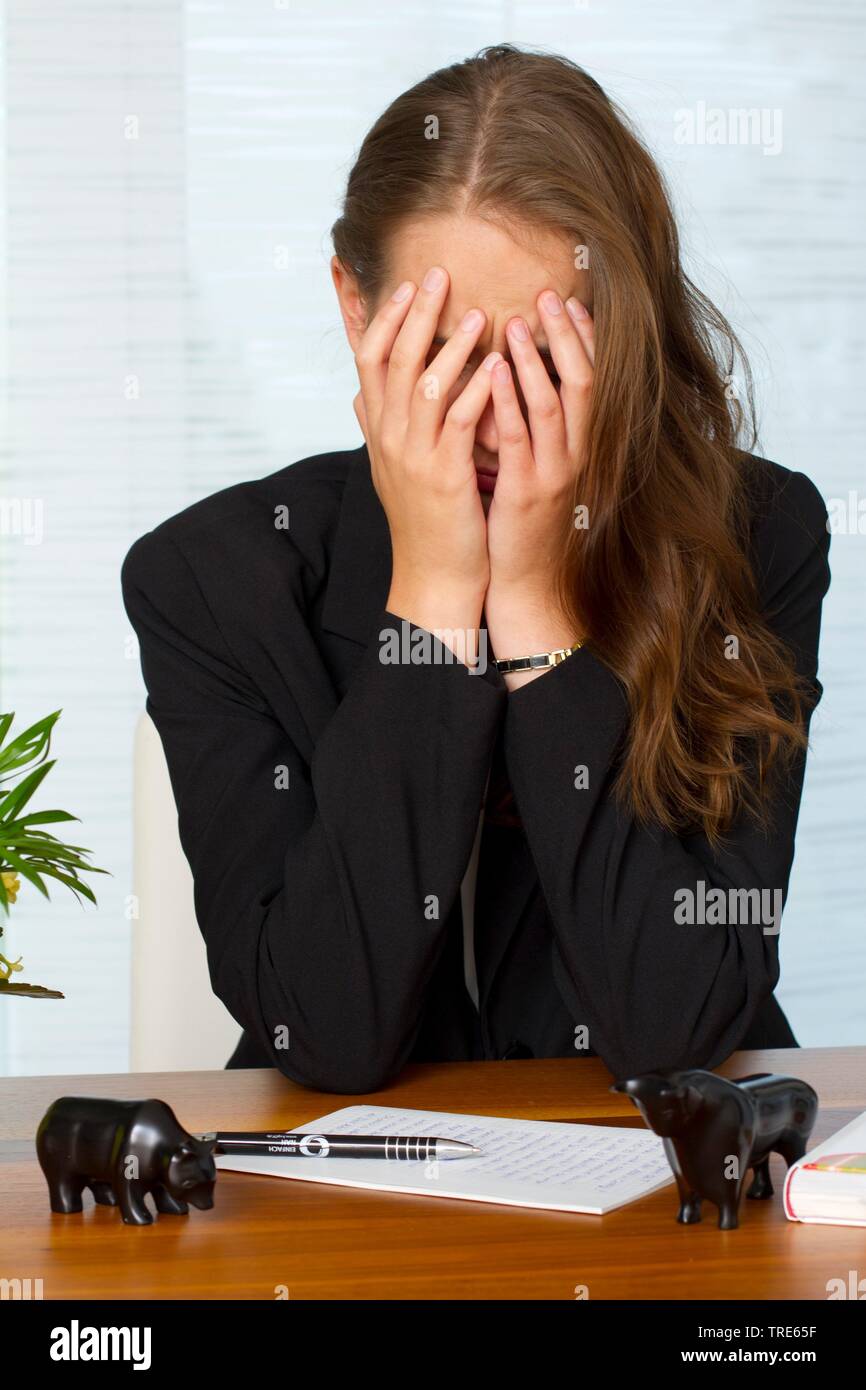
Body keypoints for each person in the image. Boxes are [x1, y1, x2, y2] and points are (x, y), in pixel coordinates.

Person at [121, 44, 830, 1092]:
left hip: (669, 1193)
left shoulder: (756, 534)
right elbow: (324, 1032)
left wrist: (539, 614)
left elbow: (677, 1026)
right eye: (445, 355)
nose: (494, 419)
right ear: (355, 313)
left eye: (543, 358)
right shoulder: (212, 580)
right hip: (352, 1206)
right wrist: (437, 597)